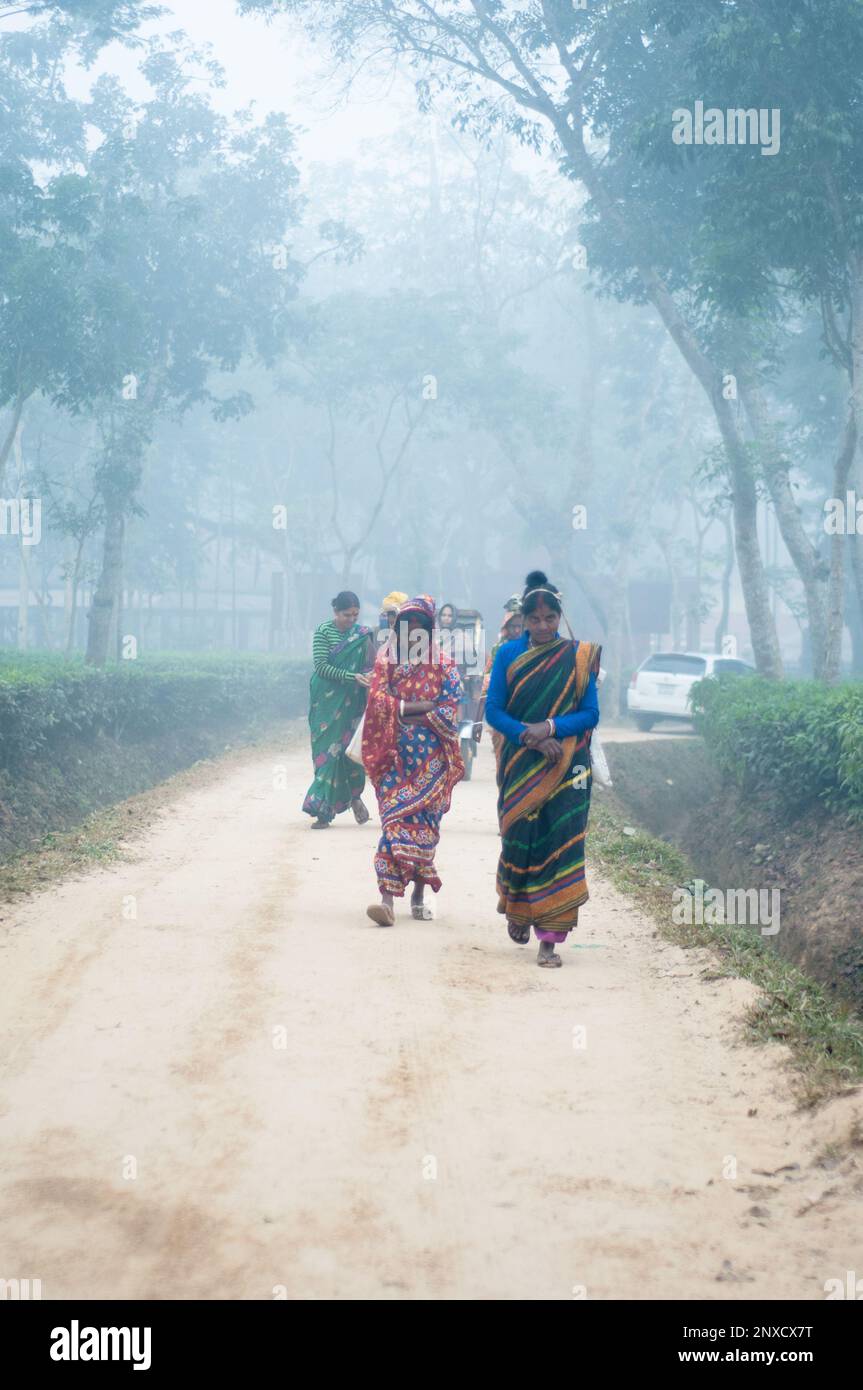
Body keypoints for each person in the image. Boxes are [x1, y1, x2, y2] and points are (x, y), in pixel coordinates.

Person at [485, 571, 601, 968]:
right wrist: (530, 736)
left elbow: (590, 713)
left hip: (569, 767)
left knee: (560, 843)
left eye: (549, 619)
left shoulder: (578, 658)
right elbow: (494, 711)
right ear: (523, 620)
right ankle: (518, 909)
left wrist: (551, 728)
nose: (542, 627)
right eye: (534, 620)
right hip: (522, 762)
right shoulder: (508, 655)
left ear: (559, 616)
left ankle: (549, 939)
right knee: (521, 837)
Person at [361, 595, 464, 926]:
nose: (411, 635)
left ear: (429, 631)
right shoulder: (386, 661)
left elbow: (450, 709)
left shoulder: (444, 664)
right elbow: (377, 703)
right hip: (394, 758)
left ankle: (419, 894)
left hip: (433, 764)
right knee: (394, 824)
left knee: (426, 829)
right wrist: (416, 708)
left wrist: (405, 709)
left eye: (419, 629)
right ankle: (387, 900)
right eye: (406, 628)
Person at [303, 590, 375, 829]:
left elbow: (371, 665)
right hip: (326, 703)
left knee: (350, 751)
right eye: (347, 615)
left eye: (355, 615)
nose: (352, 620)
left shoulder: (362, 636)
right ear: (335, 612)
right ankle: (322, 810)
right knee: (327, 753)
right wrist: (350, 676)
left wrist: (366, 678)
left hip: (353, 702)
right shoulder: (323, 632)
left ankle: (354, 797)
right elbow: (321, 667)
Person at [476, 600, 524, 747]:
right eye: (513, 626)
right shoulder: (498, 650)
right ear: (506, 627)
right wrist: (478, 721)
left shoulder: (534, 649)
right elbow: (487, 685)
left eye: (520, 627)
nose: (517, 631)